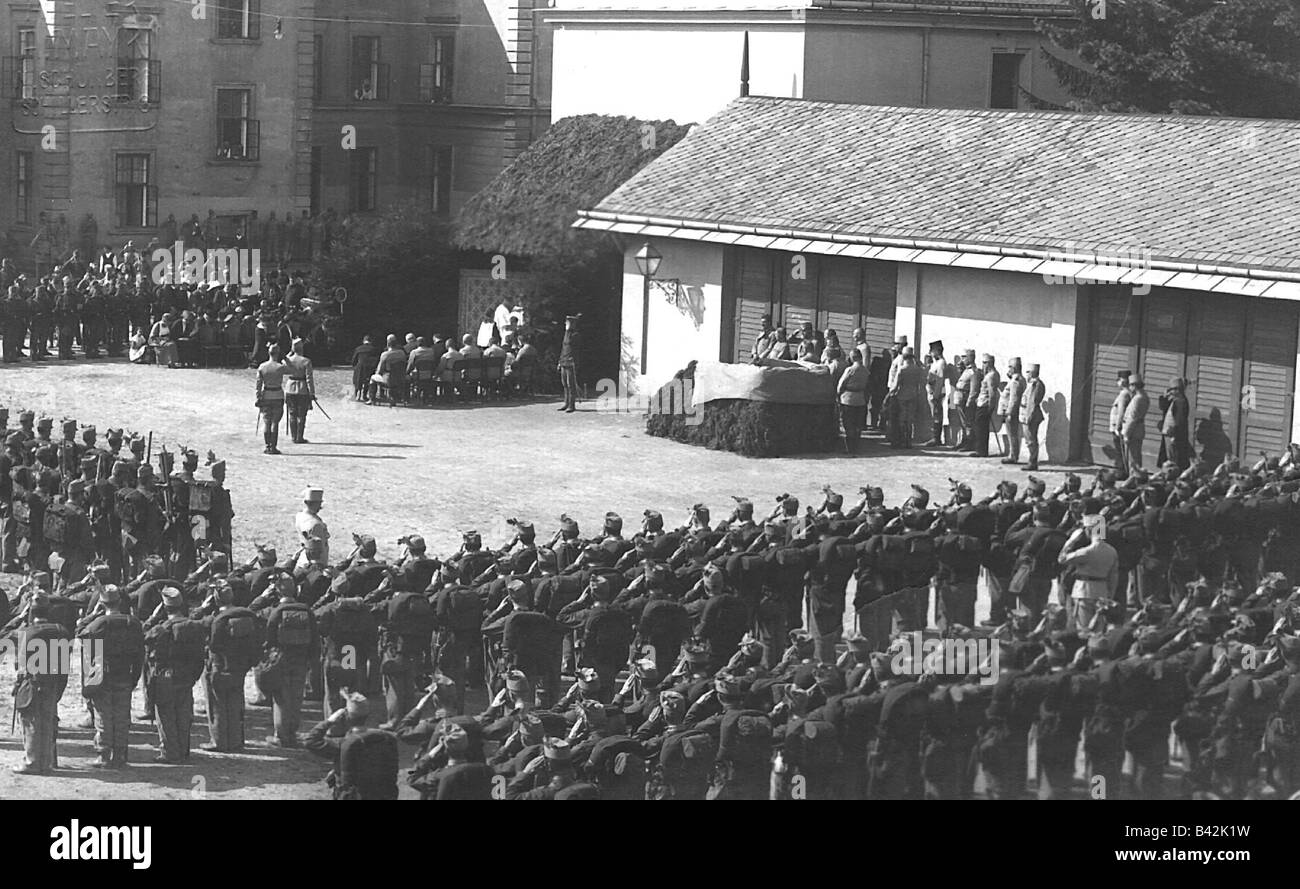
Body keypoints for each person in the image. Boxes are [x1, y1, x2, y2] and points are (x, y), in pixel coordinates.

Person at [76, 583, 145, 768]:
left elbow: (80, 632)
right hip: (125, 676)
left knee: (103, 717)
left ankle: (104, 755)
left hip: (103, 677)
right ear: (120, 601)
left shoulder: (98, 624)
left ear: (102, 602)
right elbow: (140, 654)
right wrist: (135, 678)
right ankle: (121, 755)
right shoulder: (133, 623)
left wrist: (93, 613)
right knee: (122, 717)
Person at [143, 586, 208, 763]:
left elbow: (143, 635)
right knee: (183, 714)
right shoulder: (194, 626)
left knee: (165, 716)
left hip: (165, 677)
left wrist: (153, 618)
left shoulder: (161, 629)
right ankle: (184, 751)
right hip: (186, 676)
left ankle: (170, 753)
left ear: (165, 608)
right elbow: (199, 655)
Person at [10, 593, 72, 775]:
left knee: (30, 722)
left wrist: (20, 618)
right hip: (53, 682)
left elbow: (19, 662)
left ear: (30, 611)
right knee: (47, 721)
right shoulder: (61, 631)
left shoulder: (26, 633)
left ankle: (31, 762)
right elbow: (64, 664)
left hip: (32, 683)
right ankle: (46, 762)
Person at [305, 692, 400, 800]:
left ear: (345, 717)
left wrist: (329, 721)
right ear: (368, 716)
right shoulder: (385, 739)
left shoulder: (341, 744)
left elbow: (310, 741)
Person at [1057, 513, 1118, 632]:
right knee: (1099, 628)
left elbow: (1061, 559)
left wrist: (1071, 540)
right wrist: (1110, 594)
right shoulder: (1112, 551)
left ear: (1089, 530)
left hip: (1083, 591)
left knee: (1084, 628)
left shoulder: (1086, 552)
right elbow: (1114, 576)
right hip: (1102, 590)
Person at [255, 344, 287, 455]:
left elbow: (258, 384)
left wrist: (258, 397)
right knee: (275, 423)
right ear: (277, 354)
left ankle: (267, 446)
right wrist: (286, 357)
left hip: (266, 395)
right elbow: (293, 369)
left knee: (267, 422)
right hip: (278, 395)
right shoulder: (280, 367)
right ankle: (273, 447)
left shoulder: (262, 367)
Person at [284, 337, 315, 444]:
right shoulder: (306, 361)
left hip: (290, 387)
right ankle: (299, 437)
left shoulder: (288, 360)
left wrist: (290, 352)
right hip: (302, 389)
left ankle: (293, 437)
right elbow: (309, 378)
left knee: (292, 413)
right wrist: (312, 393)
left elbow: (284, 360)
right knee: (302, 415)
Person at [837, 350, 869, 454]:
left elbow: (841, 384)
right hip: (860, 398)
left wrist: (839, 394)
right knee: (857, 424)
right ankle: (857, 446)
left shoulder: (850, 370)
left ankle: (849, 448)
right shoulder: (865, 371)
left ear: (852, 357)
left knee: (848, 424)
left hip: (848, 398)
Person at [971, 353, 1000, 457]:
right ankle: (980, 450)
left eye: (984, 363)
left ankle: (981, 451)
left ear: (990, 363)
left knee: (981, 429)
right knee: (980, 427)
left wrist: (990, 408)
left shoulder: (991, 376)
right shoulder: (993, 374)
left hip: (984, 405)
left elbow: (992, 393)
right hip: (982, 403)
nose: (983, 365)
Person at [1159, 376, 1191, 470]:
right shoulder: (1174, 400)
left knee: (1173, 458)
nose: (1171, 392)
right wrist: (1164, 397)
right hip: (1169, 433)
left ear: (1178, 390)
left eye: (1172, 390)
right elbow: (1163, 407)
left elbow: (1179, 420)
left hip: (1173, 434)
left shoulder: (1180, 402)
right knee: (1170, 456)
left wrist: (1174, 434)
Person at [1020, 363, 1047, 472]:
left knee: (1031, 440)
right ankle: (1032, 461)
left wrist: (1028, 417)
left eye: (1027, 372)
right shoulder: (1033, 384)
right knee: (1030, 439)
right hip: (1028, 413)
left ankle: (1032, 462)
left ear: (1031, 373)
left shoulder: (1036, 385)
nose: (1026, 375)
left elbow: (1032, 402)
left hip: (1031, 415)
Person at [1000, 357, 1026, 464]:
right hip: (1012, 411)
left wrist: (1009, 412)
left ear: (1015, 368)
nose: (1009, 369)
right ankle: (1013, 454)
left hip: (1011, 412)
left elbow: (1013, 399)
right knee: (1013, 434)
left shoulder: (1015, 381)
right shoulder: (1018, 379)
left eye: (1010, 367)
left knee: (1012, 434)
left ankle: (1013, 456)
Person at [296, 486, 330, 565]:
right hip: (314, 563)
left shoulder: (300, 516)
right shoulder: (315, 524)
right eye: (317, 504)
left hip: (303, 559)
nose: (320, 507)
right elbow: (317, 548)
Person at [1122, 374, 1149, 471]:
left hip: (1134, 431)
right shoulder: (1142, 396)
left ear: (1134, 385)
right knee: (1134, 457)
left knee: (1133, 459)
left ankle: (1134, 479)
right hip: (1137, 430)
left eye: (1130, 385)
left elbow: (1132, 418)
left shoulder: (1138, 399)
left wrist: (1127, 434)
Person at [923, 340, 947, 447]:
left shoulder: (941, 363)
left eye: (932, 351)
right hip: (931, 391)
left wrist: (936, 395)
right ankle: (934, 437)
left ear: (937, 351)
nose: (930, 353)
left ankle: (936, 438)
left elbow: (940, 379)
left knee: (937, 415)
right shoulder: (935, 363)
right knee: (934, 415)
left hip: (936, 392)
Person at [1109, 370, 1132, 476]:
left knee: (1120, 450)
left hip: (1118, 427)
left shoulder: (1124, 394)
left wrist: (1118, 426)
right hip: (1119, 426)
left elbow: (1121, 411)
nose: (1117, 382)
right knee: (1120, 449)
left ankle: (1121, 471)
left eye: (1119, 380)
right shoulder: (1128, 393)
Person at [558, 314, 580, 413]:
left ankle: (571, 405)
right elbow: (564, 348)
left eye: (568, 323)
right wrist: (559, 361)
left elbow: (572, 345)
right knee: (564, 384)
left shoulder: (575, 334)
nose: (566, 325)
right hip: (564, 360)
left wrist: (568, 331)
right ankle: (566, 403)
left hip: (571, 361)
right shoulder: (566, 334)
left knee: (571, 384)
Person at [350, 335, 379, 401]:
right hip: (369, 368)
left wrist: (355, 366)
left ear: (363, 341)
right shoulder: (373, 349)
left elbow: (354, 360)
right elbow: (376, 360)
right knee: (367, 381)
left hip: (359, 367)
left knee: (357, 379)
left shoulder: (358, 349)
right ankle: (364, 395)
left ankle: (357, 393)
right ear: (371, 342)